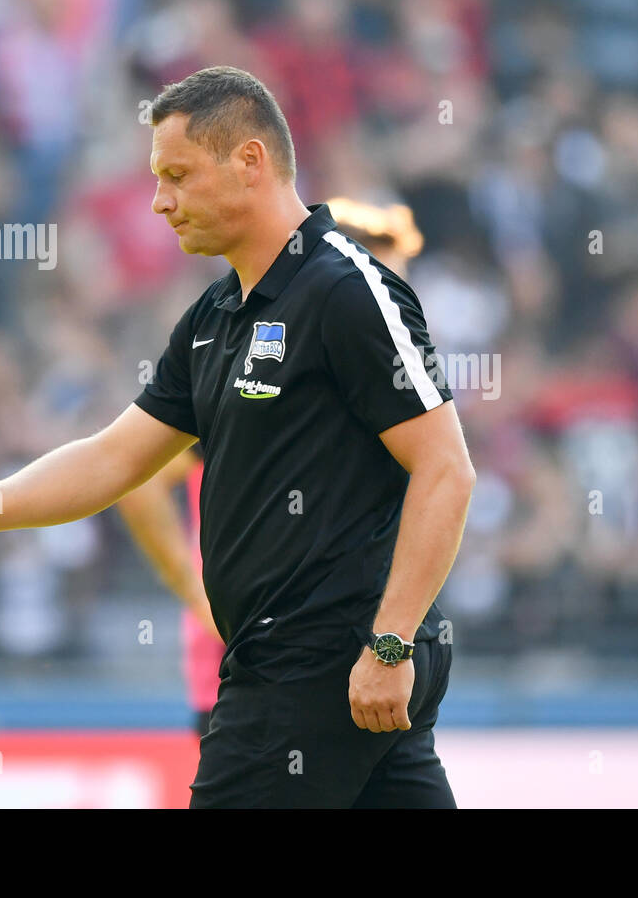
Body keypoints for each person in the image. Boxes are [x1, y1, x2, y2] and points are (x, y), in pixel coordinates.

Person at [0, 66, 475, 808]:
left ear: (250, 163)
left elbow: (447, 471)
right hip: (323, 669)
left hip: (318, 661)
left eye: (177, 176)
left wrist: (388, 645)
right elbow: (114, 458)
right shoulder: (214, 318)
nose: (160, 202)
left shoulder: (349, 291)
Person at [115, 198, 427, 742]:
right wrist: (195, 594)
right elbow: (135, 480)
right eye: (381, 284)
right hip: (249, 659)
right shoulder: (264, 378)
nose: (393, 307)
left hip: (349, 654)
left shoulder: (377, 390)